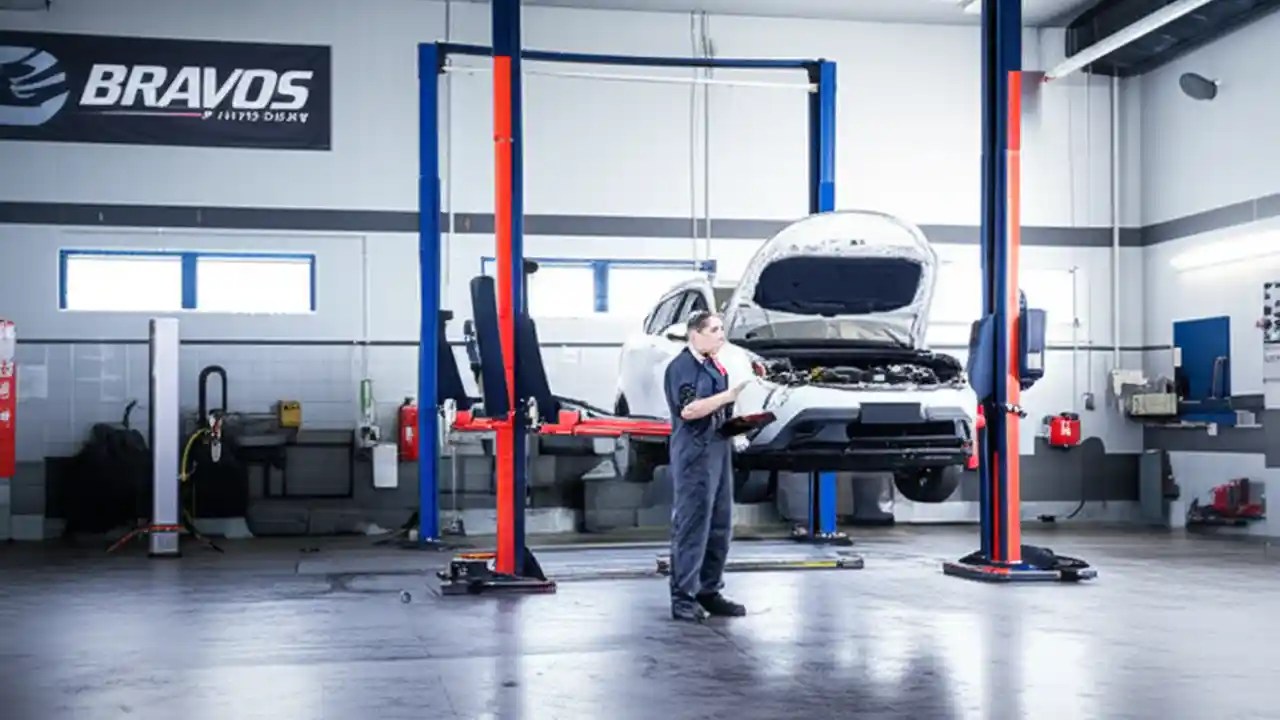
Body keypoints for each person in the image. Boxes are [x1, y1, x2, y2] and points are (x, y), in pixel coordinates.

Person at [663, 309, 751, 623]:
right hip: (694, 456)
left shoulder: (716, 367)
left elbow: (719, 413)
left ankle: (708, 591)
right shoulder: (681, 368)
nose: (721, 335)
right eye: (714, 329)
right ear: (694, 333)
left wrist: (740, 427)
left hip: (718, 451)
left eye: (721, 329)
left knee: (719, 526)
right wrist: (729, 395)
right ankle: (683, 599)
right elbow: (689, 410)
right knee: (692, 527)